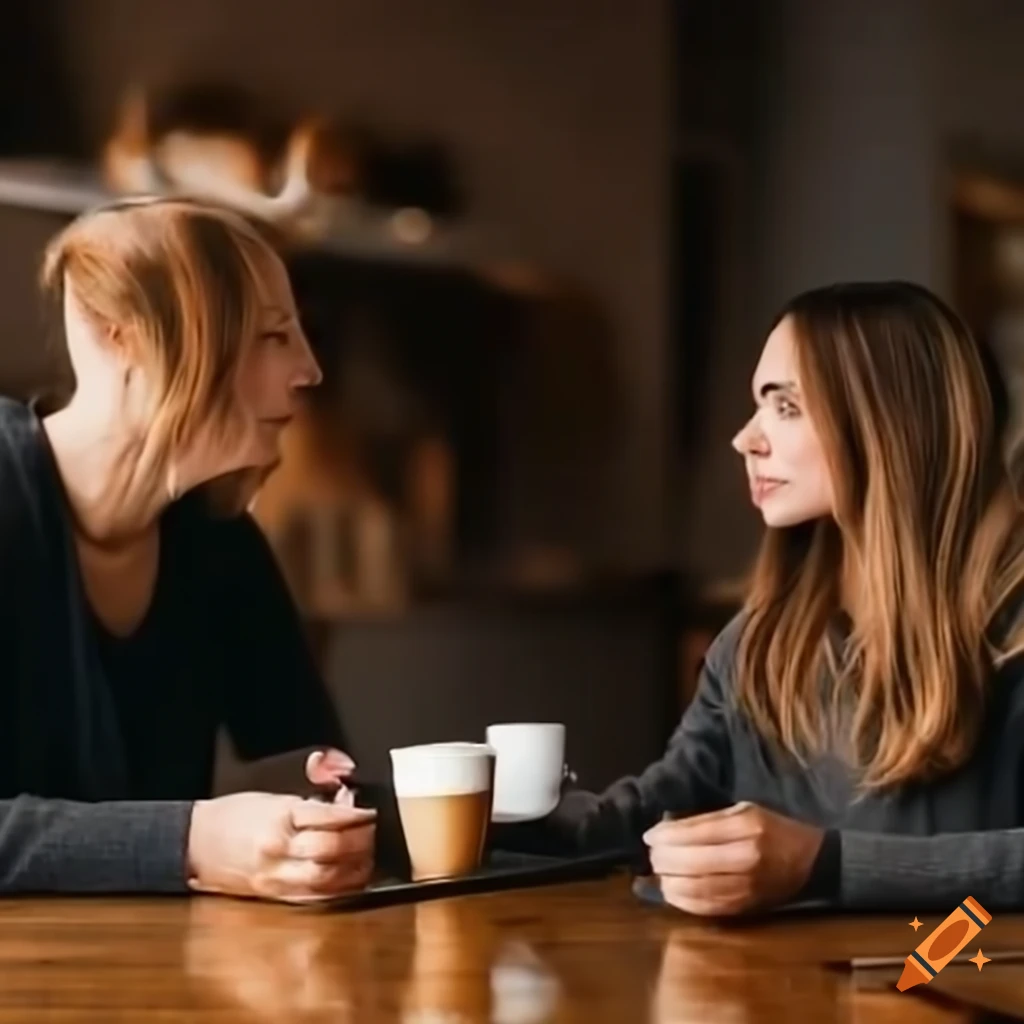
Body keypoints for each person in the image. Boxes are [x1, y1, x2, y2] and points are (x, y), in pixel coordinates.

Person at [503, 281, 1024, 915]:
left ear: (890, 421)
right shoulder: (757, 644)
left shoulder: (1013, 631)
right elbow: (639, 820)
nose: (745, 439)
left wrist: (821, 864)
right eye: (758, 406)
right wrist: (405, 806)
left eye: (786, 408)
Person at [0, 197, 373, 902]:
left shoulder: (217, 538)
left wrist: (317, 814)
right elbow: (199, 835)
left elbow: (305, 762)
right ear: (124, 339)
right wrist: (193, 841)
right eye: (272, 336)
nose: (310, 370)